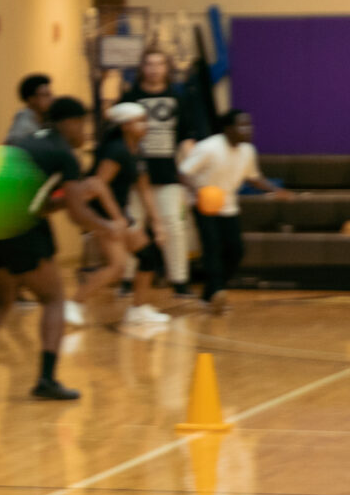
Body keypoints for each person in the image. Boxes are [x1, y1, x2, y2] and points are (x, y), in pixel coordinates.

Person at [0, 97, 119, 400]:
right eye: (82, 123)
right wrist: (108, 226)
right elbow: (77, 214)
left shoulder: (26, 141)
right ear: (68, 123)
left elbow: (41, 203)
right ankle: (46, 379)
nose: (84, 132)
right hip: (12, 222)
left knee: (0, 298)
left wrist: (74, 199)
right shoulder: (64, 154)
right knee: (54, 296)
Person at [0, 73, 73, 322]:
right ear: (31, 99)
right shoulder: (23, 129)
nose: (50, 98)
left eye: (50, 93)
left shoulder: (40, 123)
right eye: (45, 94)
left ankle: (9, 287)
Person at [181, 109, 289, 313]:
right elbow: (183, 172)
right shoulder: (209, 148)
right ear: (228, 129)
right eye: (242, 125)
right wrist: (198, 193)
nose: (248, 129)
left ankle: (210, 294)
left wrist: (276, 190)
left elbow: (254, 178)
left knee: (236, 250)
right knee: (212, 247)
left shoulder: (248, 151)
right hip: (203, 204)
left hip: (228, 205)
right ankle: (218, 292)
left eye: (249, 125)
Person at [75, 104, 170, 328]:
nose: (145, 125)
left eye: (145, 120)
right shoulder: (116, 150)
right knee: (117, 267)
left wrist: (158, 224)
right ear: (126, 125)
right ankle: (73, 304)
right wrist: (115, 219)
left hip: (120, 213)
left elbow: (145, 189)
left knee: (147, 256)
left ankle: (138, 310)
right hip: (102, 213)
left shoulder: (137, 150)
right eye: (140, 121)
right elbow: (98, 185)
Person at [123, 50, 209, 296]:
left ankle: (179, 280)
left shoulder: (177, 98)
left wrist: (195, 164)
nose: (153, 69)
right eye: (149, 64)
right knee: (134, 225)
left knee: (174, 224)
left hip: (167, 174)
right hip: (134, 177)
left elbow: (184, 137)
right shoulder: (130, 98)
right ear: (142, 68)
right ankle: (128, 279)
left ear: (166, 68)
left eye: (159, 64)